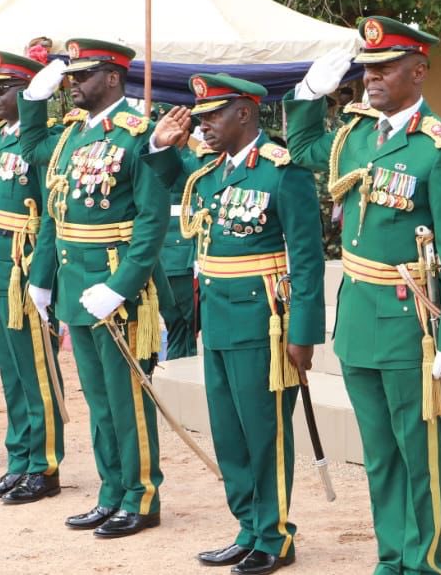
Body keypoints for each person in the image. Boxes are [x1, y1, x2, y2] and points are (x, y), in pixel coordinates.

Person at [284, 17, 441, 575]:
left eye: (385, 67)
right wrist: (306, 94)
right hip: (358, 319)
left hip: (409, 322)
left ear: (418, 71)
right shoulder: (354, 136)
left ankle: (423, 564)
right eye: (367, 67)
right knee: (380, 456)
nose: (372, 77)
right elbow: (300, 148)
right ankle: (390, 559)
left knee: (418, 456)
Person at [147, 74, 325, 575]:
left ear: (245, 114)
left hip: (263, 320)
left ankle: (275, 534)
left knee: (264, 431)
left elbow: (308, 261)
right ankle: (247, 527)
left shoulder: (281, 172)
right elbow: (167, 173)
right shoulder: (210, 170)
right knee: (228, 433)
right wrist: (161, 143)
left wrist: (303, 333)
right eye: (200, 117)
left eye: (213, 116)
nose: (203, 126)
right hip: (219, 319)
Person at [18, 38, 167, 538]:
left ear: (112, 78)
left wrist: (122, 286)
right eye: (71, 77)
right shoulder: (67, 138)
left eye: (83, 76)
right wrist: (43, 279)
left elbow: (150, 222)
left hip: (113, 283)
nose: (74, 85)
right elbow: (51, 207)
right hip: (74, 283)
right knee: (99, 400)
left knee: (127, 399)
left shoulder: (137, 134)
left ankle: (141, 496)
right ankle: (112, 492)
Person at [0, 50, 67, 503]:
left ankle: (43, 466)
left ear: (29, 92)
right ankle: (19, 458)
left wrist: (42, 276)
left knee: (36, 368)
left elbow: (50, 217)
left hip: (24, 267)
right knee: (11, 370)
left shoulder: (47, 140)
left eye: (4, 88)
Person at [151, 102, 199, 361]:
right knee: (182, 327)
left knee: (179, 328)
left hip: (166, 258)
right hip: (177, 259)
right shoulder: (190, 160)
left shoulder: (190, 160)